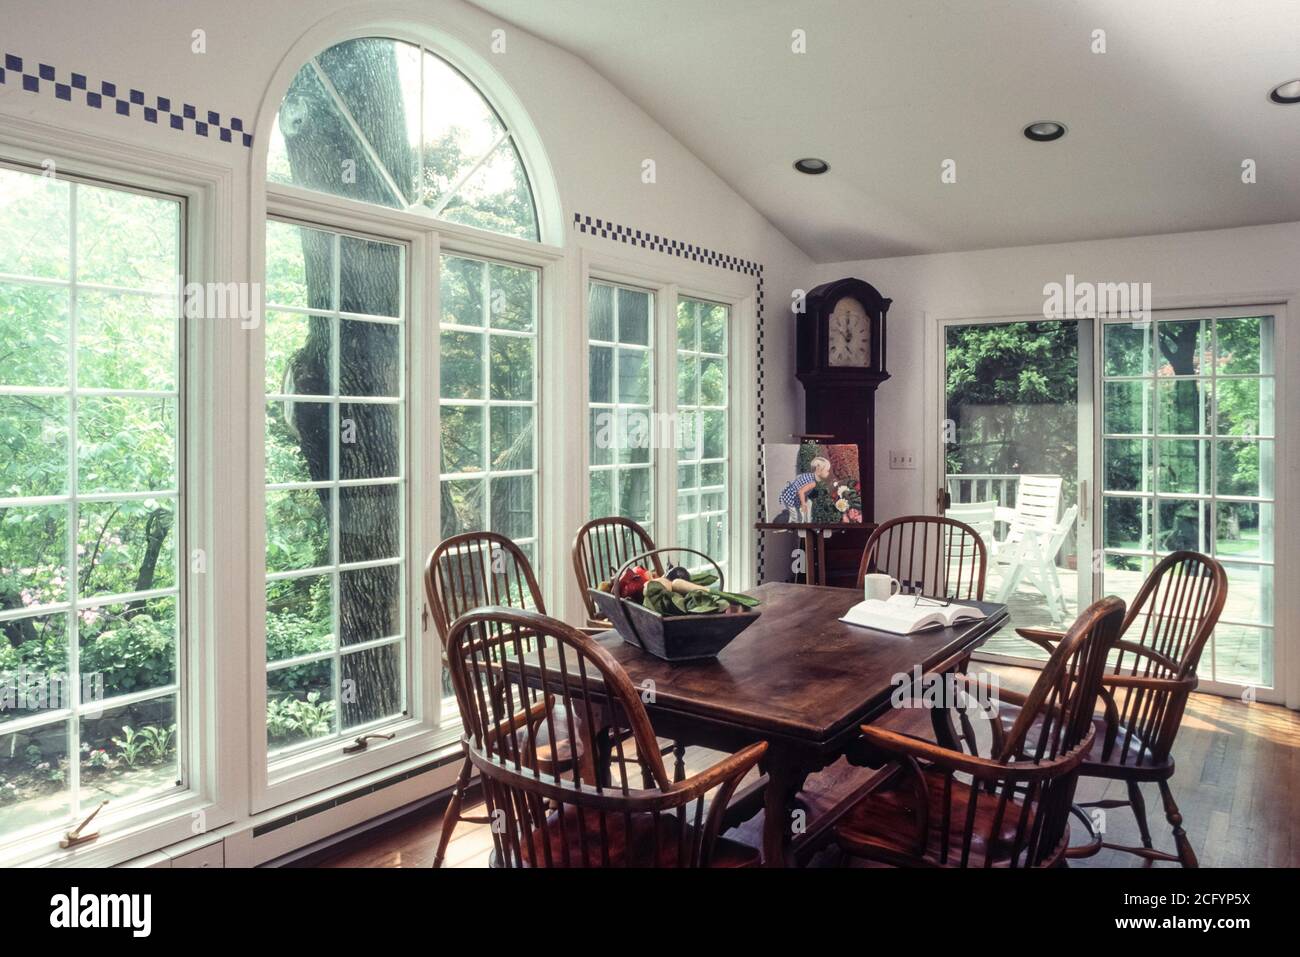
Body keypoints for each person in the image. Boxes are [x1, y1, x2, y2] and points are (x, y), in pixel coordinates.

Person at [776, 456, 831, 522]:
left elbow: (798, 477)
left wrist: (796, 487)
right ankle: (792, 526)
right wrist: (803, 504)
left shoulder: (808, 474)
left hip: (789, 493)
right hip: (790, 498)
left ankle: (793, 520)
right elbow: (801, 491)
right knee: (796, 517)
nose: (828, 473)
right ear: (819, 471)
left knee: (796, 511)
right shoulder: (813, 483)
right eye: (827, 471)